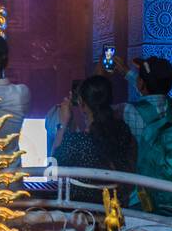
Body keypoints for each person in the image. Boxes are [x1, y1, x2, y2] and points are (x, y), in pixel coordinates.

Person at [118, 56, 172, 212]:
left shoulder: (128, 111)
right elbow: (150, 90)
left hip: (141, 198)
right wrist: (129, 73)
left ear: (141, 83)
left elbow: (96, 108)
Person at [53, 74, 136, 202]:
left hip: (83, 214)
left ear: (82, 104)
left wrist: (63, 123)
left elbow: (52, 168)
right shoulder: (124, 133)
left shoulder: (80, 142)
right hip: (117, 211)